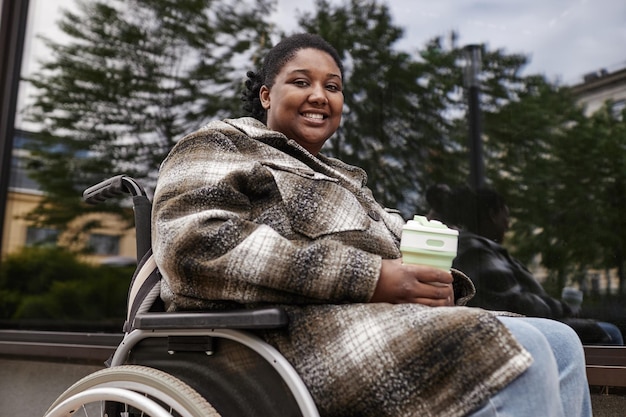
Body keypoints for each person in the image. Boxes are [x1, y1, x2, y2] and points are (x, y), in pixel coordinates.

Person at [152, 33, 592, 417]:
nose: (320, 96)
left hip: (377, 321)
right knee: (521, 350)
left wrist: (438, 282)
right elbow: (195, 247)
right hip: (278, 337)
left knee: (560, 341)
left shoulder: (347, 179)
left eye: (333, 87)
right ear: (266, 95)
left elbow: (404, 250)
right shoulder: (221, 144)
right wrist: (375, 278)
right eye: (301, 82)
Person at [439, 185, 623, 346]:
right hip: (517, 328)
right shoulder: (477, 252)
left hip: (519, 325)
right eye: (505, 217)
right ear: (492, 215)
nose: (508, 225)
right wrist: (565, 308)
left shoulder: (478, 249)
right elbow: (518, 304)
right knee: (610, 333)